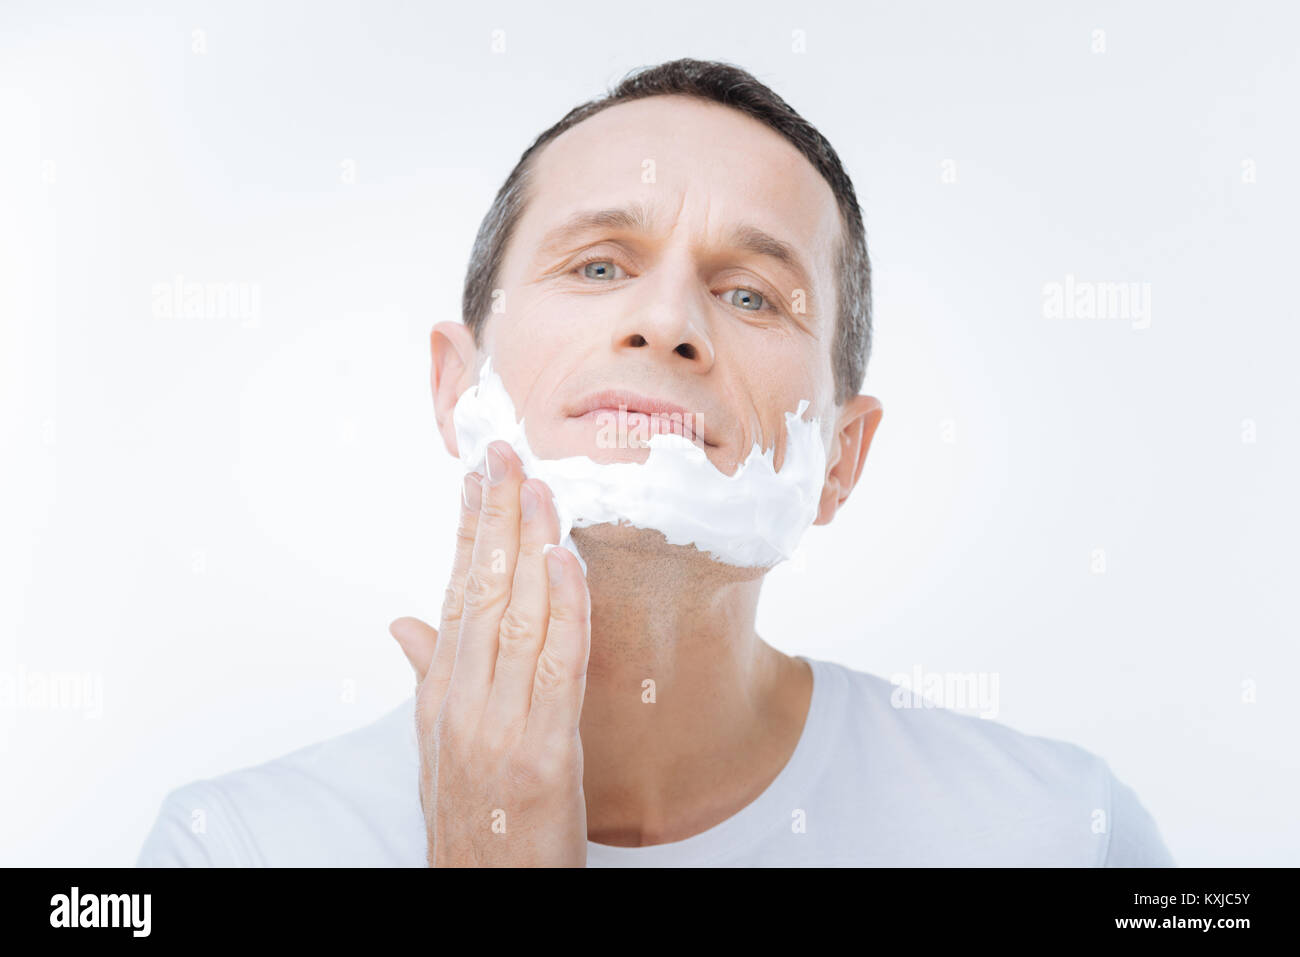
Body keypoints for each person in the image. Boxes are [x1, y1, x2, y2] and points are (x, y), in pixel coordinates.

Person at [137, 58, 1174, 867]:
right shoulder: (234, 848)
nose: (668, 320)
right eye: (597, 266)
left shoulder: (1058, 837)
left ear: (841, 460)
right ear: (457, 388)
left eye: (752, 293)